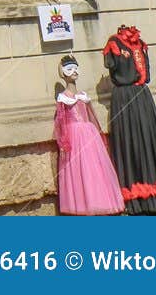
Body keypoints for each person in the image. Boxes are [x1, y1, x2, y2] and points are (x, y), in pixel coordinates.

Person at [103, 24, 156, 213]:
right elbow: (111, 64)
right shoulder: (114, 43)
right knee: (130, 142)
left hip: (142, 96)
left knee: (149, 140)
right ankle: (137, 197)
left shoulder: (140, 44)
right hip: (124, 98)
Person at [53, 55, 124, 216]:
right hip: (74, 137)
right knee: (79, 171)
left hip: (89, 136)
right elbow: (61, 122)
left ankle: (101, 201)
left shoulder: (83, 96)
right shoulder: (63, 98)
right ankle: (83, 203)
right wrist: (63, 141)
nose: (74, 71)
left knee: (95, 170)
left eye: (75, 67)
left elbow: (91, 115)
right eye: (69, 69)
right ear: (63, 73)